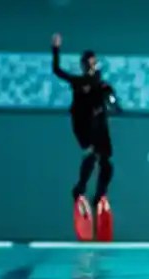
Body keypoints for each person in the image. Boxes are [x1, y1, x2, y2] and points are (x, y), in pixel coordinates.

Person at [52, 33, 121, 241]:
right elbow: (57, 71)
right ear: (84, 65)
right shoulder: (79, 81)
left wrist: (113, 102)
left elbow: (115, 104)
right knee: (91, 154)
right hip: (83, 124)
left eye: (94, 62)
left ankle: (99, 194)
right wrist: (55, 49)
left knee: (107, 163)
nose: (92, 66)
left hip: (100, 125)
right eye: (89, 63)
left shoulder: (103, 85)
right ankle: (80, 189)